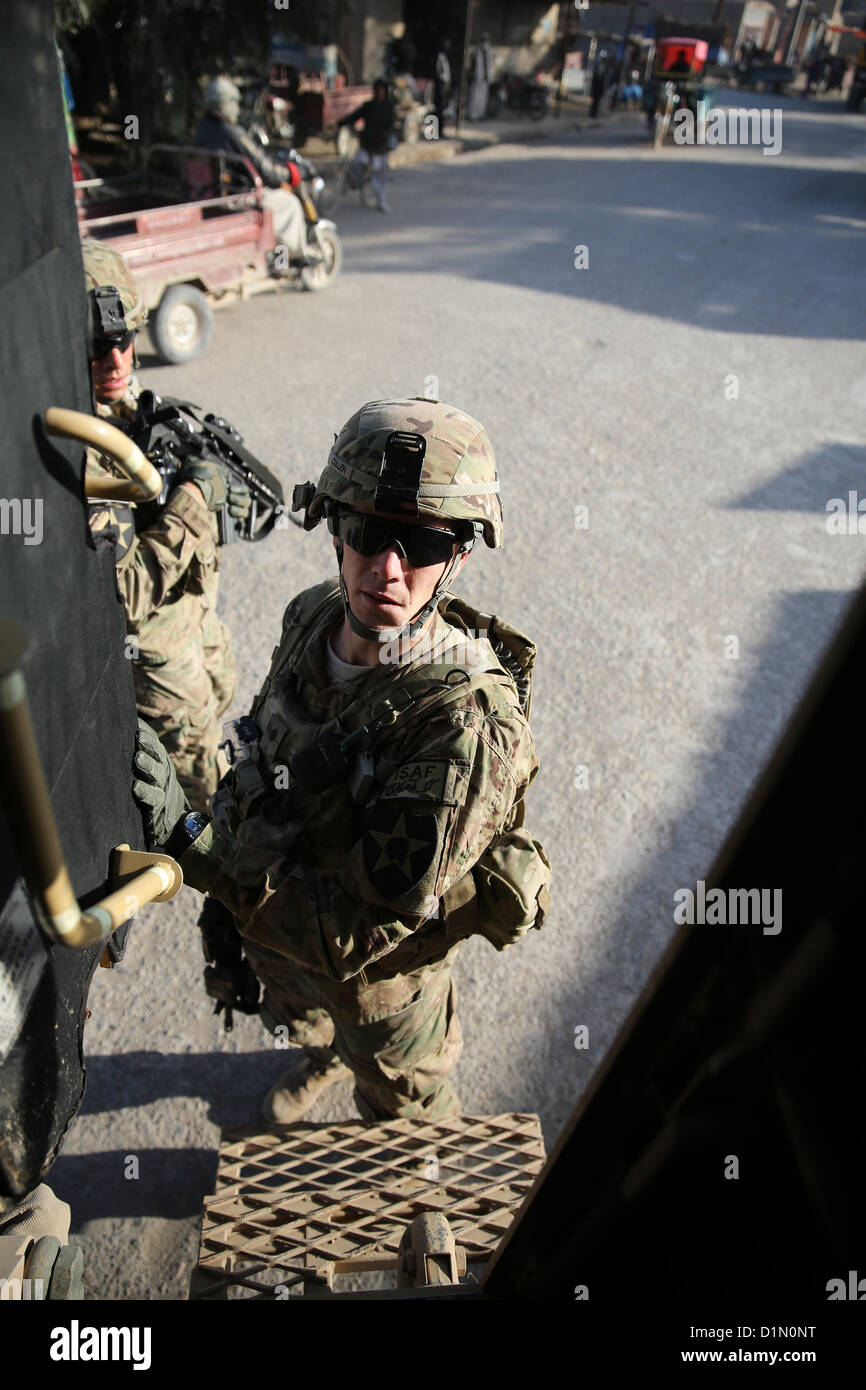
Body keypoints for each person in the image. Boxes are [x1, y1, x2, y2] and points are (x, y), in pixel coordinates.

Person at [132, 397, 552, 1123]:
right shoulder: (313, 614)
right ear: (334, 530)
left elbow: (355, 935)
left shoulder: (460, 725)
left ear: (459, 553)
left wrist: (199, 853)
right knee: (301, 1013)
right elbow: (261, 747)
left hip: (381, 984)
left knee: (405, 1111)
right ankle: (322, 1053)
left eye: (420, 544)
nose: (387, 568)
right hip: (276, 921)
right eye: (366, 530)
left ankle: (409, 1160)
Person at [83, 239, 247, 810]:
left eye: (124, 339)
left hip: (194, 629)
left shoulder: (127, 410)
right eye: (97, 346)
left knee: (219, 709)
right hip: (155, 664)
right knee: (205, 796)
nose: (117, 360)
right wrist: (194, 499)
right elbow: (119, 592)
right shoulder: (75, 447)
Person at [194, 76, 313, 267]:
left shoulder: (203, 127)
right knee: (289, 203)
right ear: (226, 104)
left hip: (211, 191)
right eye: (234, 102)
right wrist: (291, 173)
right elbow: (267, 170)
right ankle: (289, 260)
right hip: (236, 195)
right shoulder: (232, 133)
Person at [337, 79, 395, 213]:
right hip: (366, 144)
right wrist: (341, 123)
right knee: (356, 164)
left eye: (382, 90)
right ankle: (355, 184)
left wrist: (380, 135)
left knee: (378, 176)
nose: (380, 92)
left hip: (379, 147)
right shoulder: (368, 106)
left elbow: (390, 127)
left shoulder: (388, 107)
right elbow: (354, 116)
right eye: (378, 90)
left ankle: (381, 202)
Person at [434, 38, 452, 136]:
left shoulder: (444, 57)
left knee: (443, 109)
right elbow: (440, 73)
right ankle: (437, 131)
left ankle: (440, 131)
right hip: (440, 85)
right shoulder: (440, 57)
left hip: (444, 86)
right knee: (439, 110)